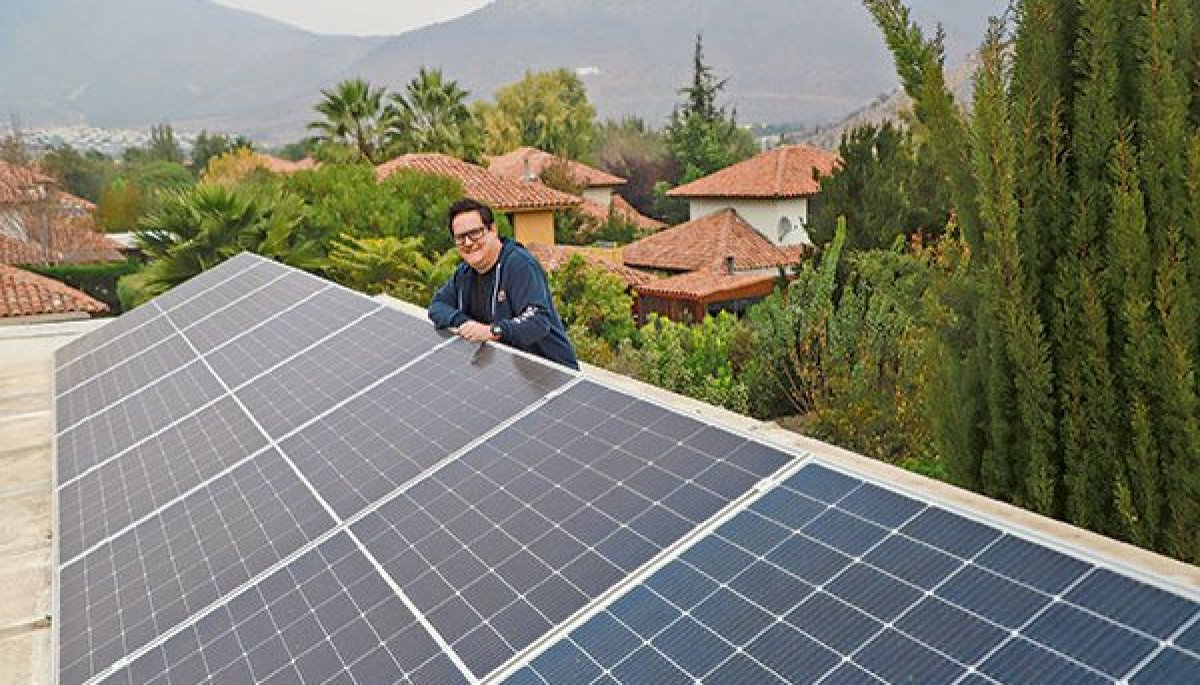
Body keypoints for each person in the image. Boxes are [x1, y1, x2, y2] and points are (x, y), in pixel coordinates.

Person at [428, 198, 579, 370]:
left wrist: (493, 331)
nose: (469, 243)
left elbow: (538, 320)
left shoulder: (519, 265)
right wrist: (464, 323)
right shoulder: (464, 274)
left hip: (551, 374)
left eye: (475, 233)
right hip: (507, 373)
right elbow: (437, 306)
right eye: (461, 238)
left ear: (492, 230)